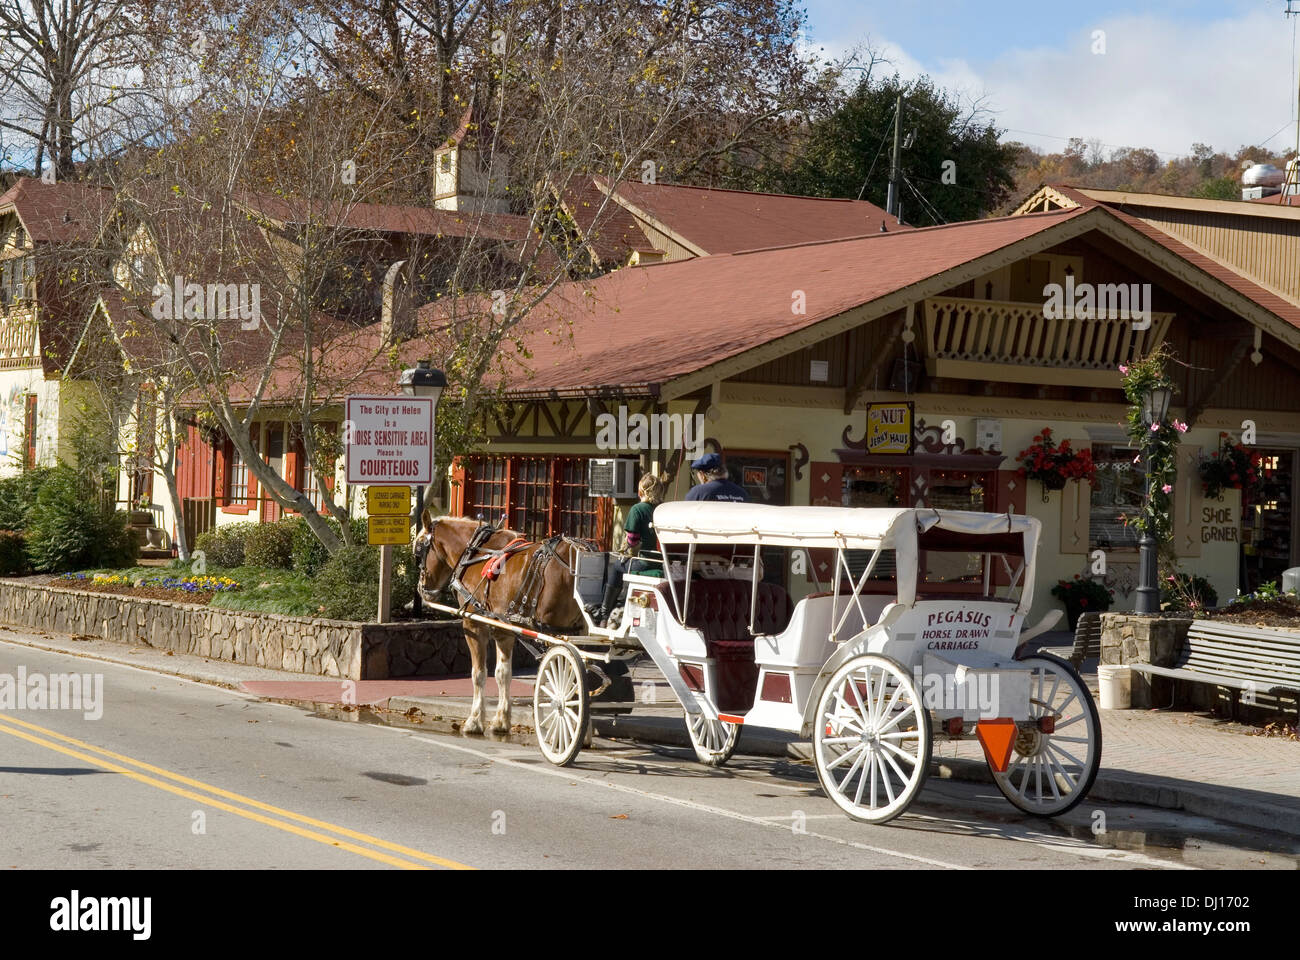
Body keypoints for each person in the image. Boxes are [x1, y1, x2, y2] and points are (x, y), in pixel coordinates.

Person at [597, 473, 665, 625]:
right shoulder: (662, 509)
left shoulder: (638, 509)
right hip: (661, 561)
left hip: (645, 561)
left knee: (616, 567)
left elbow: (632, 540)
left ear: (642, 491)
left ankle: (604, 614)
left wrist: (625, 549)